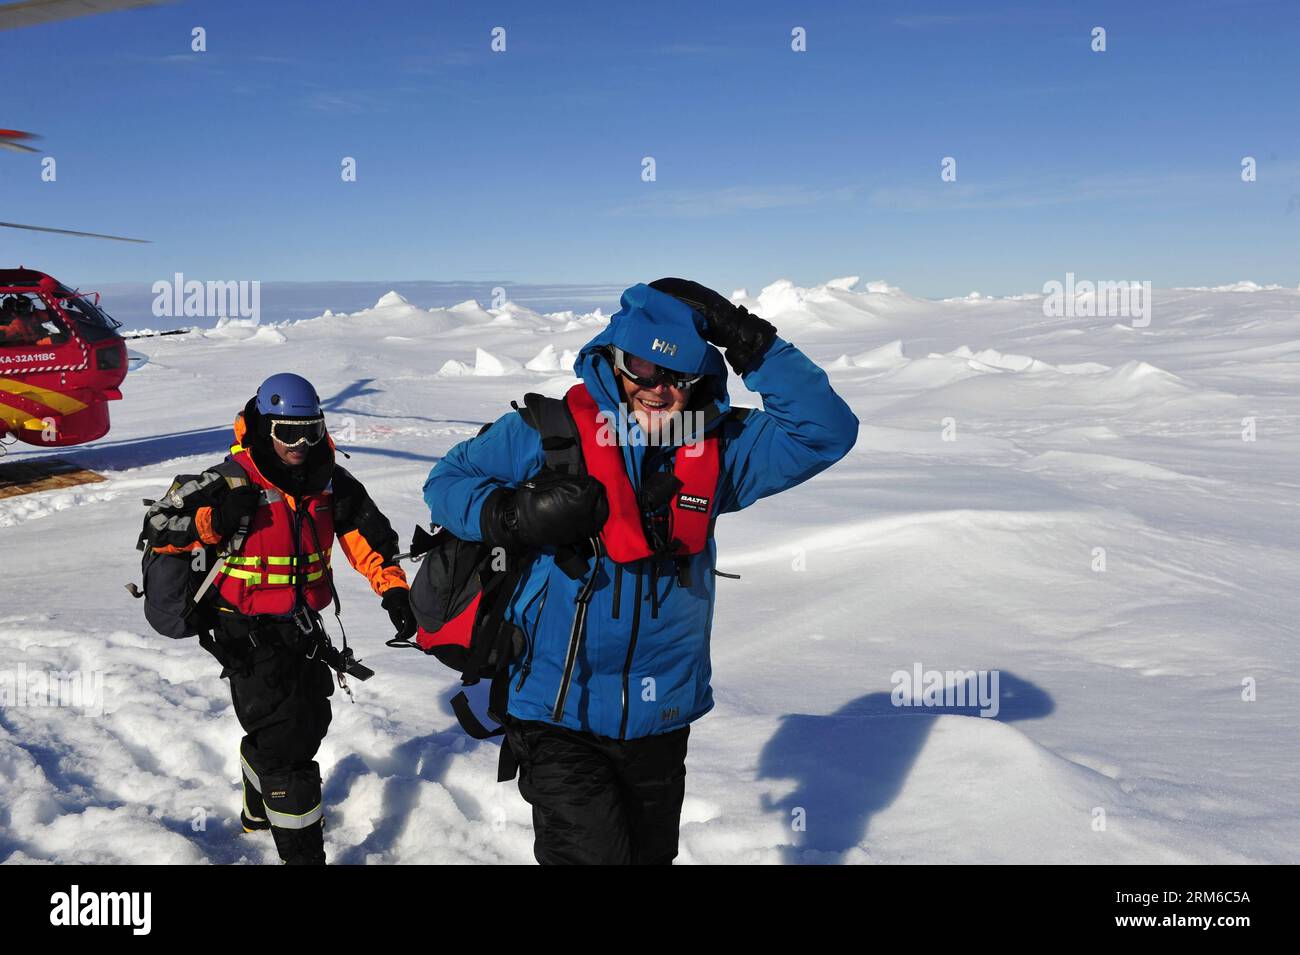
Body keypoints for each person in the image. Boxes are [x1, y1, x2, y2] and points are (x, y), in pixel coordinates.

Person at [423, 279, 858, 864]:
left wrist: (749, 340)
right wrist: (513, 514)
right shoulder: (551, 434)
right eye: (642, 369)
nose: (659, 391)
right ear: (611, 358)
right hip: (556, 710)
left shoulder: (720, 450)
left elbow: (826, 431)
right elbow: (446, 485)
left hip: (662, 717)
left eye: (679, 378)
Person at [146, 373, 418, 864]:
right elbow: (160, 524)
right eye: (288, 432)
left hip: (303, 629)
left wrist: (394, 592)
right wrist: (213, 522)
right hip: (241, 630)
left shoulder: (330, 481)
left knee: (310, 722)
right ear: (265, 428)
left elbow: (367, 538)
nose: (300, 444)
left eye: (311, 431)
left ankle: (257, 802)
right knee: (291, 753)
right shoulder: (230, 478)